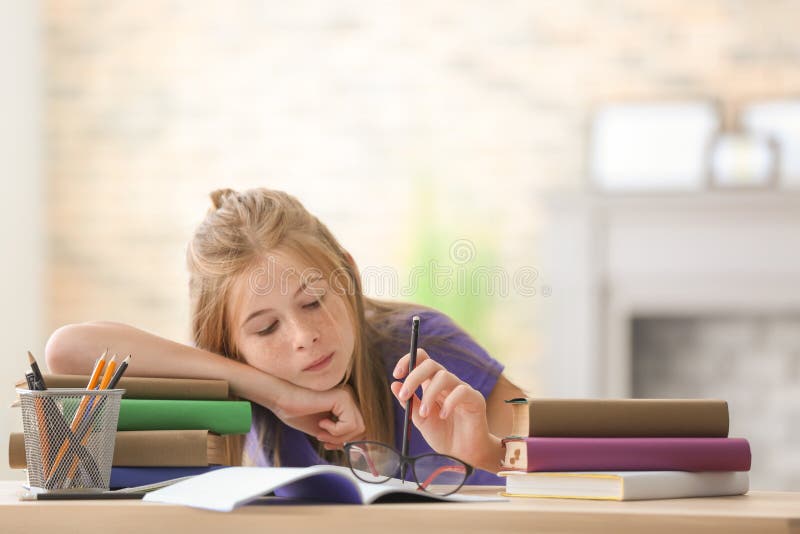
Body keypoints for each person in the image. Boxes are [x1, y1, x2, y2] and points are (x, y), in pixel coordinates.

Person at [45, 188, 526, 484]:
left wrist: (483, 452)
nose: (303, 337)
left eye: (314, 301)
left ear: (347, 275)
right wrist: (274, 394)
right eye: (266, 328)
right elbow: (66, 351)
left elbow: (586, 475)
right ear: (230, 345)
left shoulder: (424, 348)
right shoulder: (245, 388)